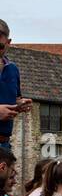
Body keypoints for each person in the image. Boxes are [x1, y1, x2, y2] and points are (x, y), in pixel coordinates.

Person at [0, 20, 33, 150]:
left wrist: (20, 105)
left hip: (4, 145)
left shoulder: (13, 69)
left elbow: (15, 99)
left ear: (8, 43)